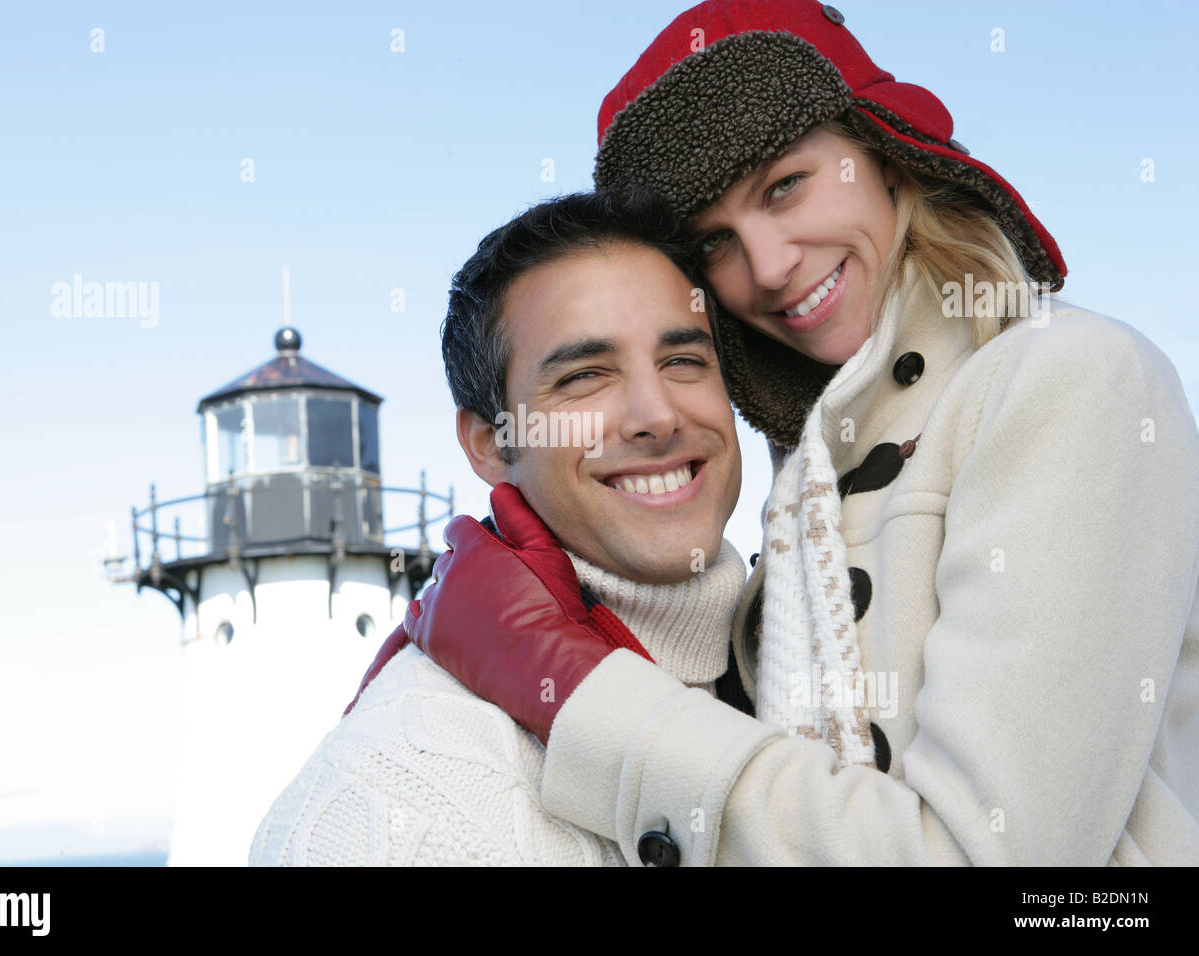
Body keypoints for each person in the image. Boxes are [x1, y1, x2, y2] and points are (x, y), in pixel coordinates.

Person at [400, 0, 1199, 865]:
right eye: (716, 241)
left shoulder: (1068, 379)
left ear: (884, 156)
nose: (771, 266)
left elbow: (986, 860)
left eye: (786, 187)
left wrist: (573, 687)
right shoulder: (804, 487)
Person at [248, 188, 752, 865]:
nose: (656, 415)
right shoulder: (380, 804)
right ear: (490, 443)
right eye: (585, 377)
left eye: (684, 360)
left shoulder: (807, 651)